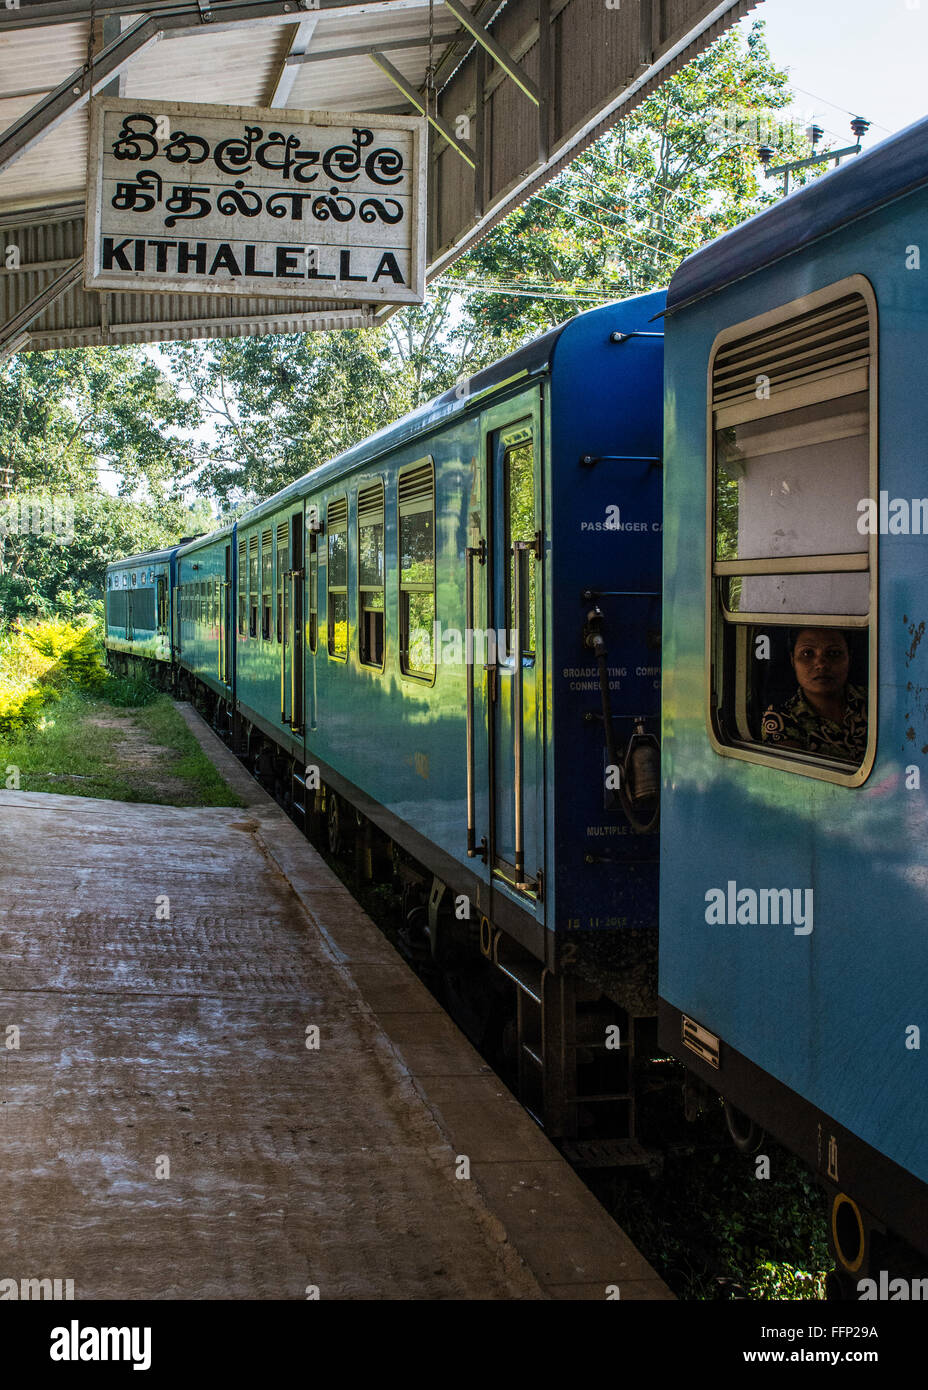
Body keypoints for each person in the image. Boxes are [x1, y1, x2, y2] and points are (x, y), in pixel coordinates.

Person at [761, 627, 867, 762]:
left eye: (834, 653)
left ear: (849, 658)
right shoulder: (782, 718)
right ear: (793, 660)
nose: (821, 664)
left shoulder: (874, 700)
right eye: (807, 654)